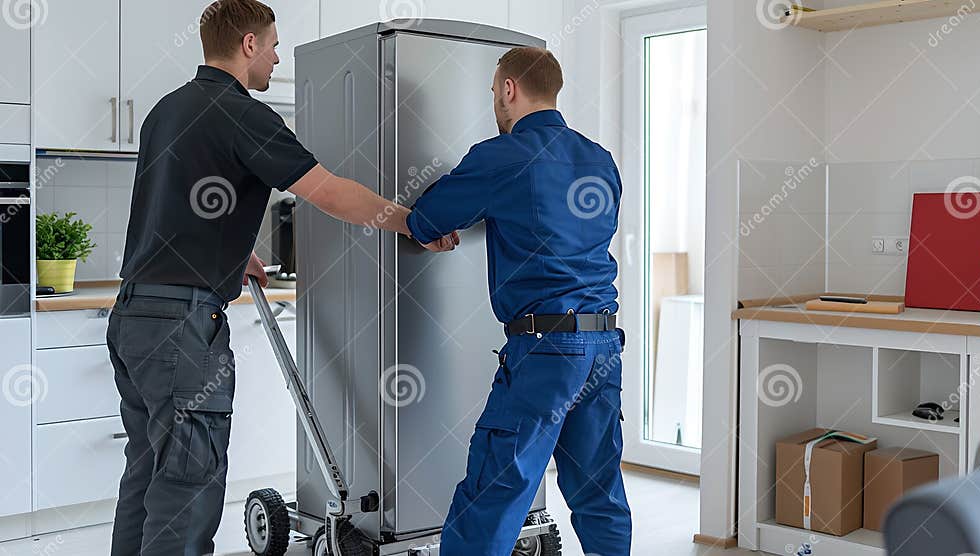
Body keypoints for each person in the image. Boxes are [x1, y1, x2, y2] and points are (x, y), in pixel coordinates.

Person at [106, 1, 455, 555]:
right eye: (271, 46)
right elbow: (331, 193)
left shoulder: (166, 111)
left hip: (134, 318)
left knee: (149, 474)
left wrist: (227, 256)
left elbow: (169, 212)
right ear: (247, 44)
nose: (274, 57)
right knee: (188, 485)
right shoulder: (242, 113)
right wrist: (413, 222)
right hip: (182, 328)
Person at [406, 47, 632, 556]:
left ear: (509, 88)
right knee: (599, 491)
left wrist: (440, 228)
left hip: (545, 351)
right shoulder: (600, 158)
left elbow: (426, 220)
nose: (494, 102)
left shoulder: (502, 155)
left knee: (495, 488)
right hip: (602, 343)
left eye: (493, 92)